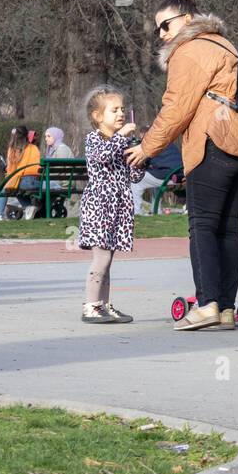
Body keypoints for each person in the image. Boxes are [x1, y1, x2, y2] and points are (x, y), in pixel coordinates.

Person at [125, 0, 238, 331]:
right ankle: (225, 308)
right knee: (228, 228)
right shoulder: (226, 45)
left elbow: (176, 109)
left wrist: (146, 148)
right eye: (157, 30)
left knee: (203, 225)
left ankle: (206, 303)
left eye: (165, 26)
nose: (161, 35)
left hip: (216, 143)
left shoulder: (189, 50)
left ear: (187, 19)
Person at [78, 87, 145, 324]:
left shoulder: (121, 142)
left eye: (122, 109)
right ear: (98, 117)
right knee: (101, 259)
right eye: (114, 110)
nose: (121, 114)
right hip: (100, 206)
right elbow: (103, 157)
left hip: (118, 207)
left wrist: (141, 157)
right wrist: (121, 137)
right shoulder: (94, 139)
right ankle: (91, 306)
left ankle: (103, 305)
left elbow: (134, 177)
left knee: (108, 261)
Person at [0, 124, 41, 221]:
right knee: (16, 189)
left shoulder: (13, 150)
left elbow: (12, 171)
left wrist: (7, 179)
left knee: (7, 188)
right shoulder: (33, 148)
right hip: (37, 182)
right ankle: (29, 207)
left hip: (24, 181)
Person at [131, 140, 182, 215]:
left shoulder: (149, 144)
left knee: (136, 182)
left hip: (168, 175)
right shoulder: (169, 142)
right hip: (179, 174)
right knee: (153, 180)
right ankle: (156, 210)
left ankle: (137, 212)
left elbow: (144, 163)